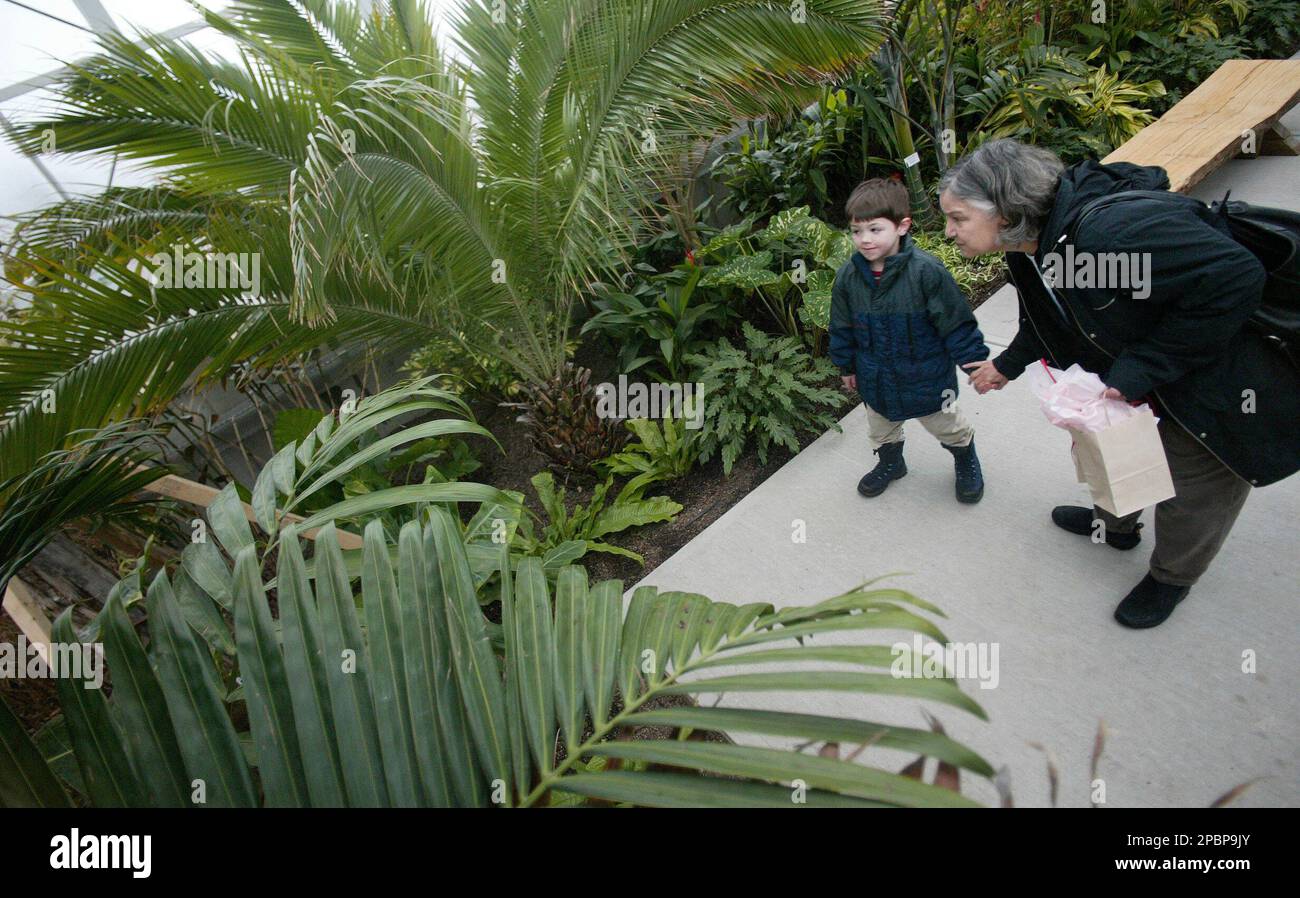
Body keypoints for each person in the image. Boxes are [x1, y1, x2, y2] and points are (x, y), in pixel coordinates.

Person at [943, 138, 1300, 628]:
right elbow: (1046, 315)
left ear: (1003, 212)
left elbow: (1235, 276)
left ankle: (1171, 578)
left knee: (1192, 487)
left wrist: (1145, 367)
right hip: (1128, 379)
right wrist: (1008, 365)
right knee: (1111, 457)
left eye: (958, 218)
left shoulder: (1107, 234)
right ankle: (1114, 528)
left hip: (1212, 379)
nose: (949, 232)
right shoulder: (1030, 247)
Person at [829, 177, 991, 503]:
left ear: (902, 226)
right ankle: (892, 463)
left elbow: (956, 323)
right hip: (875, 379)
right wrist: (846, 365)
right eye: (857, 231)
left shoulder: (925, 272)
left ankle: (965, 458)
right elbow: (842, 326)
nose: (864, 239)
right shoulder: (848, 277)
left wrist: (976, 364)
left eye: (875, 229)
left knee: (949, 426)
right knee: (881, 429)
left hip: (927, 380)